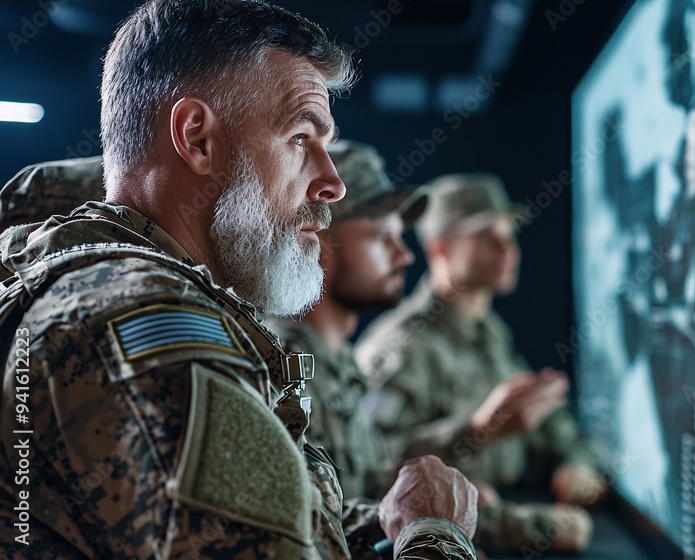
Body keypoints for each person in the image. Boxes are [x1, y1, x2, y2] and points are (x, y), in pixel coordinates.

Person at [0, 1, 477, 558]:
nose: (332, 184)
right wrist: (436, 533)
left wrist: (385, 522)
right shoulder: (151, 332)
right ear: (197, 139)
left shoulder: (74, 270)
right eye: (301, 139)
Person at [269, 141, 593, 555]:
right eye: (378, 237)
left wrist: (454, 496)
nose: (404, 255)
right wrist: (511, 522)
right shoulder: (286, 367)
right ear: (317, 240)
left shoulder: (335, 360)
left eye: (398, 236)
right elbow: (319, 525)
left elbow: (371, 483)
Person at [355, 173, 608, 518]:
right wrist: (477, 430)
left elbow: (547, 424)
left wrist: (575, 463)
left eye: (508, 232)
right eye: (485, 236)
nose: (508, 249)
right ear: (440, 247)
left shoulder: (488, 331)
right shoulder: (401, 348)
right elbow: (367, 467)